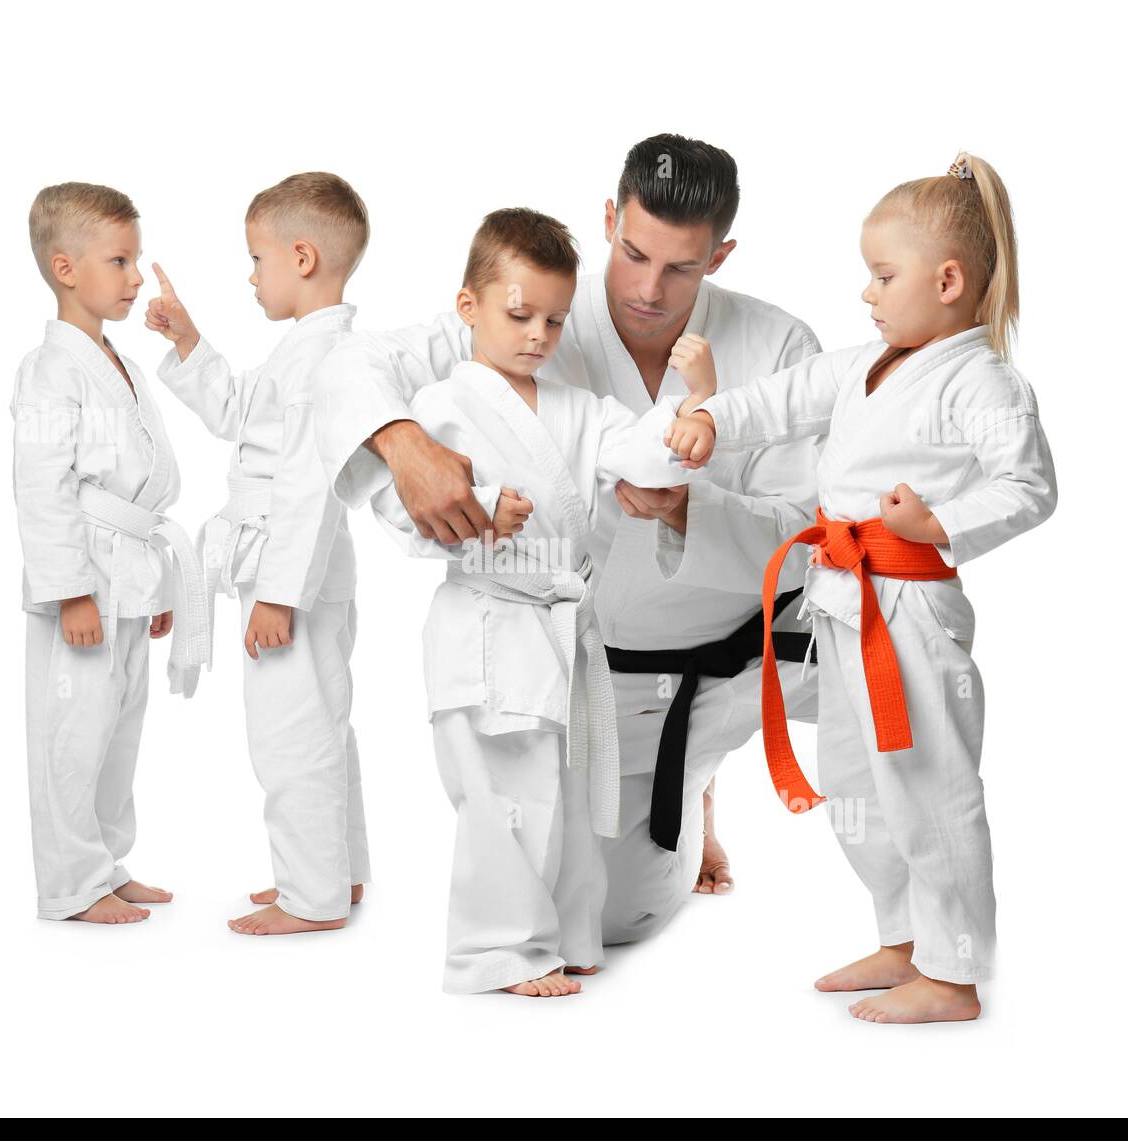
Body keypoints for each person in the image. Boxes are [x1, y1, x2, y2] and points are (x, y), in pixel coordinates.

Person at [312, 134, 823, 944]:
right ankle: (682, 791)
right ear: (610, 217)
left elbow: (808, 539)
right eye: (632, 252)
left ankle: (710, 769)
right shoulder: (536, 307)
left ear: (720, 255)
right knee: (607, 916)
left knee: (902, 648)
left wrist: (687, 511)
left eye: (682, 267)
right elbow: (351, 364)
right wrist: (400, 439)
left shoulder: (780, 347)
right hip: (599, 670)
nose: (650, 289)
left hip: (730, 660)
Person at [666, 153, 1057, 1023]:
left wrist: (938, 525)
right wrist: (709, 417)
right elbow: (779, 400)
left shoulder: (981, 380)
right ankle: (906, 936)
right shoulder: (868, 362)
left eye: (883, 275)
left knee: (928, 782)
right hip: (843, 594)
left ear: (949, 281)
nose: (866, 293)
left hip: (908, 608)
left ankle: (954, 975)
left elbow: (1029, 486)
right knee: (856, 780)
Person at [367, 209, 711, 994]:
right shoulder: (440, 409)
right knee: (502, 799)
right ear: (468, 307)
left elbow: (641, 447)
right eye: (519, 315)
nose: (538, 335)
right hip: (488, 621)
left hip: (563, 626)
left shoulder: (574, 409)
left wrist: (695, 411)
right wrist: (480, 506)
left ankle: (566, 933)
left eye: (555, 320)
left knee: (566, 787)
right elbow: (398, 508)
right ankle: (498, 952)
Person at [147, 173, 372, 935]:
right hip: (298, 571)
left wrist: (278, 595)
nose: (251, 276)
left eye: (257, 259)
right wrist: (188, 340)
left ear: (302, 257)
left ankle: (312, 898)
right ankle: (336, 877)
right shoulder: (308, 351)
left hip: (292, 578)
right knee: (322, 725)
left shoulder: (322, 361)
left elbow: (309, 486)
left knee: (292, 737)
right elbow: (244, 413)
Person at [12, 182, 208, 924]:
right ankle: (70, 883)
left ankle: (106, 861)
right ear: (67, 269)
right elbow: (41, 487)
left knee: (119, 728)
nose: (135, 278)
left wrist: (155, 588)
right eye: (120, 261)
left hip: (126, 569)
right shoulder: (50, 369)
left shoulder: (113, 360)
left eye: (136, 261)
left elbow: (138, 481)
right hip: (84, 579)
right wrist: (69, 591)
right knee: (73, 729)